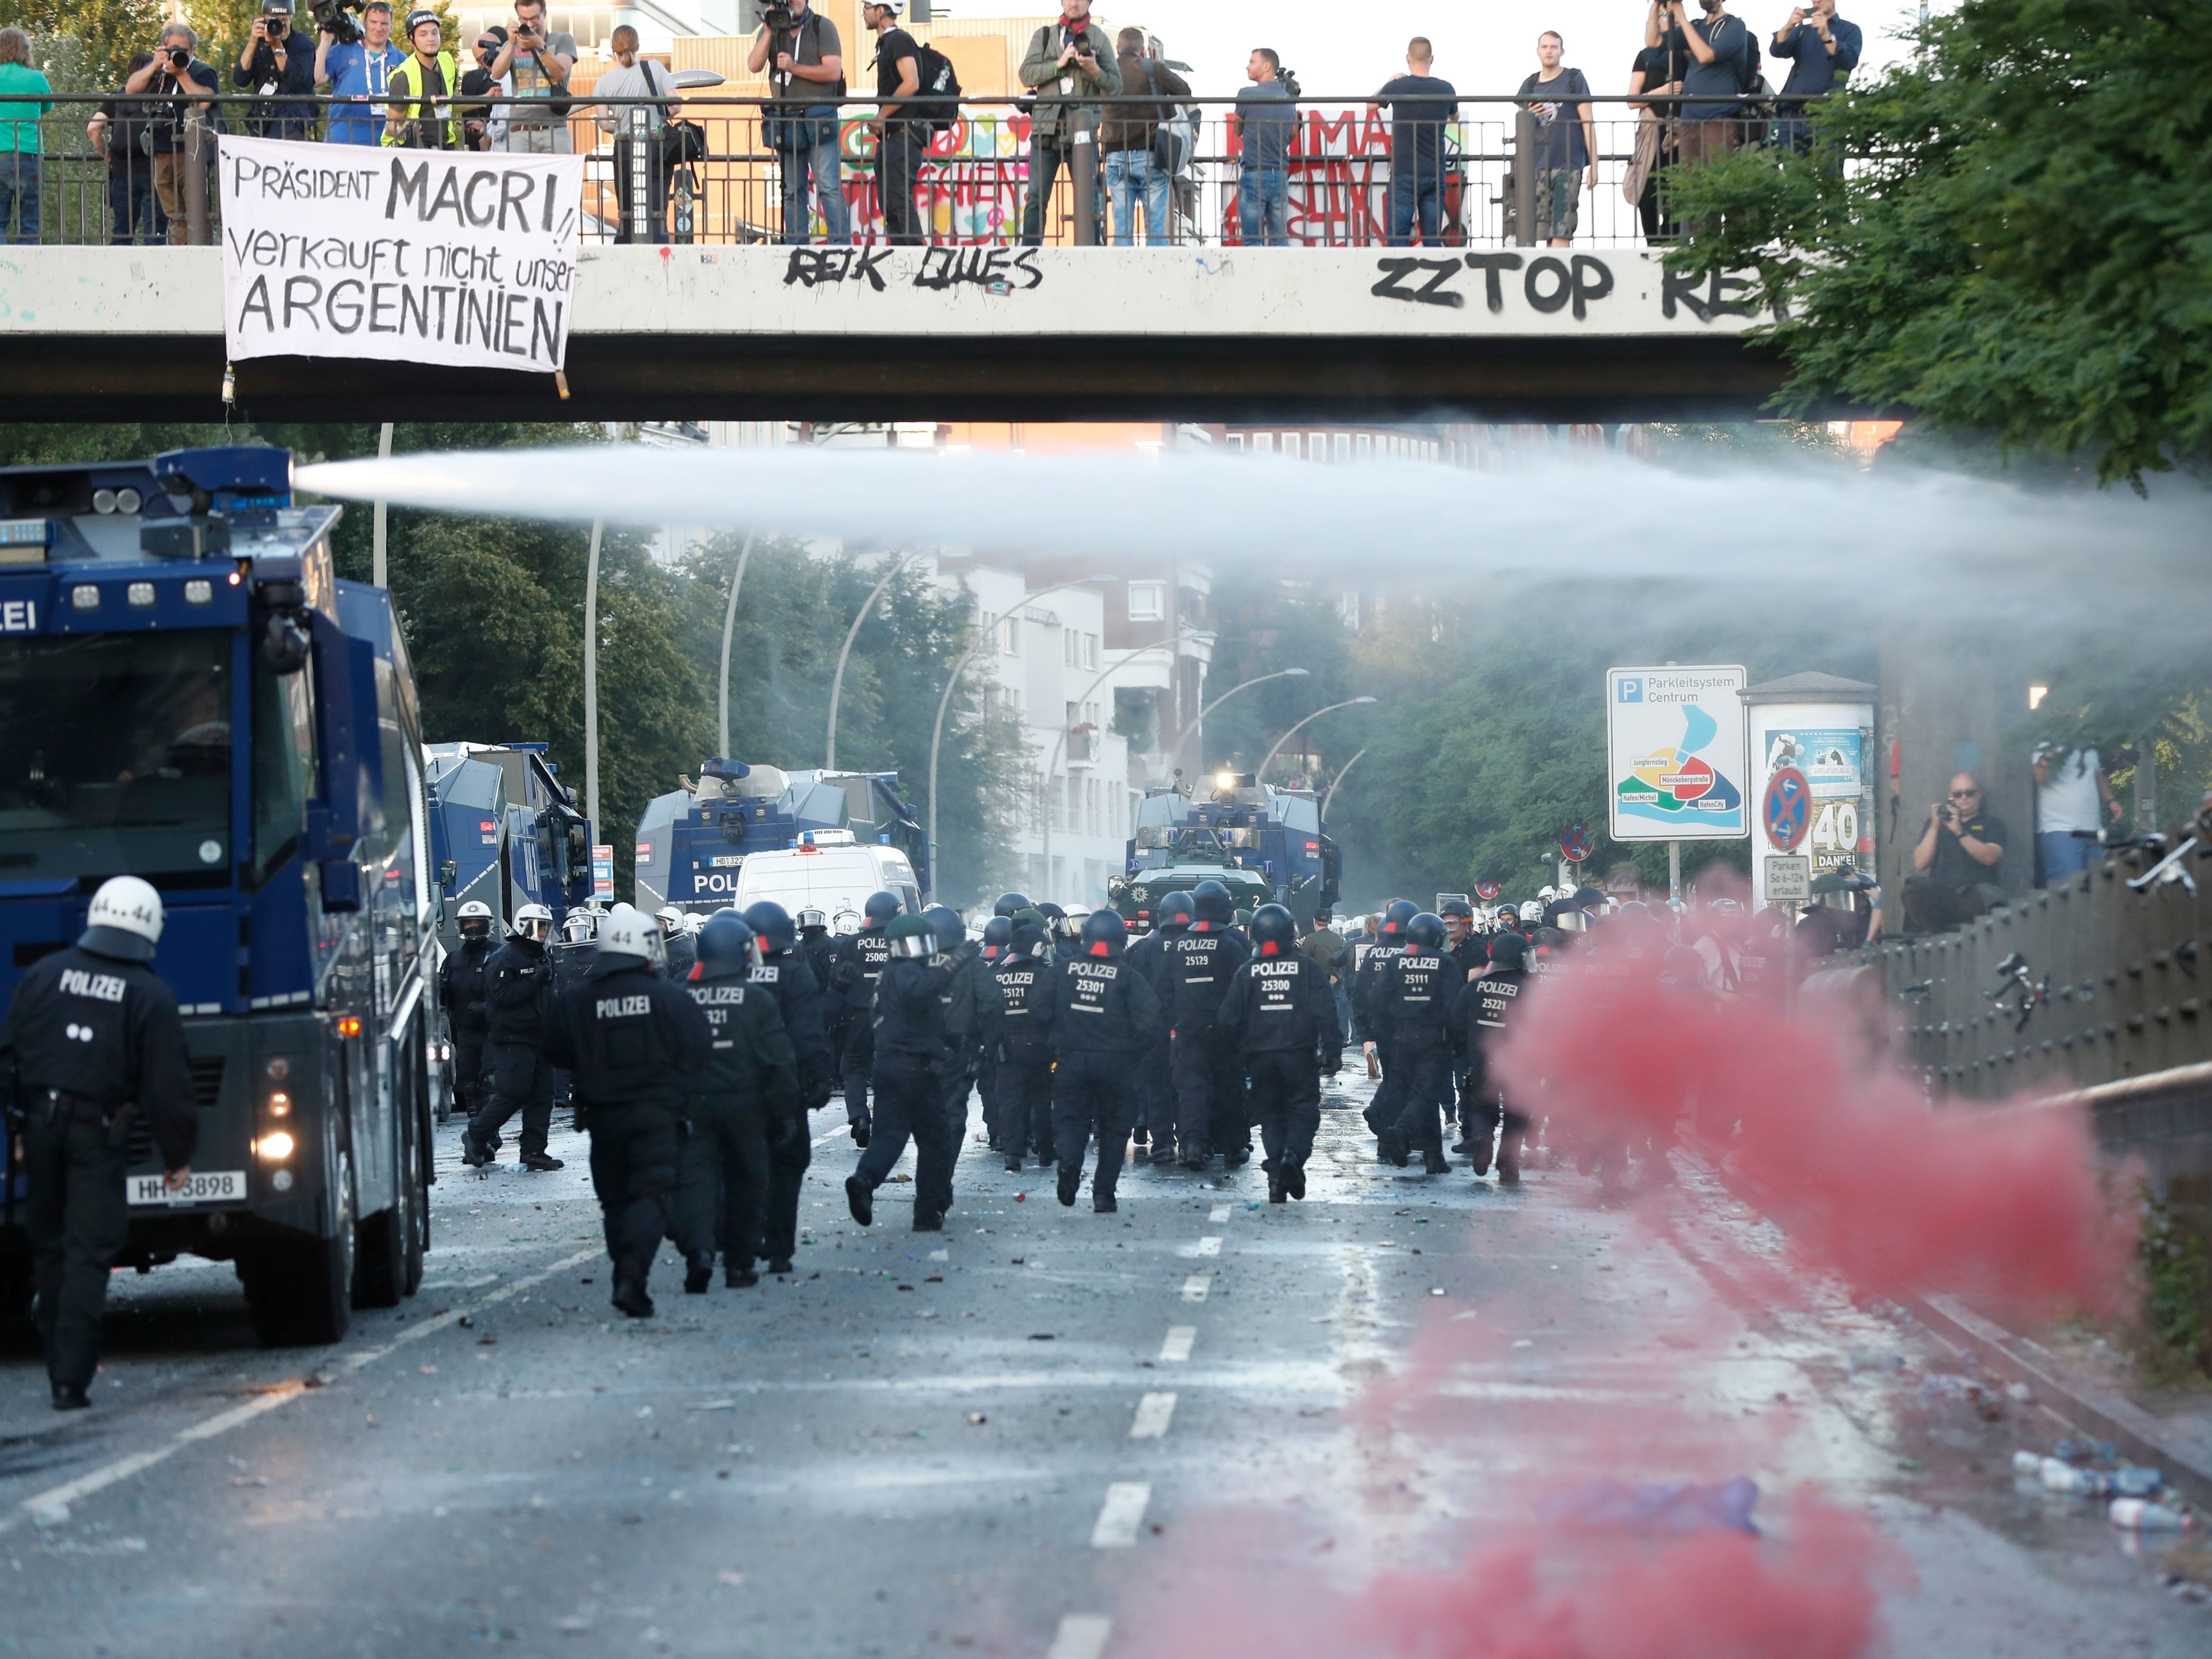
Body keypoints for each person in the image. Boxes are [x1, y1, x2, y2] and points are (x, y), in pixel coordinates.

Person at [0, 878, 195, 1410]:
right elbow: (167, 1087)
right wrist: (177, 1155)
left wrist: (17, 1130)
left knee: (49, 1249)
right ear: (150, 926)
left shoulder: (42, 975)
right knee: (88, 1251)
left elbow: (10, 1057)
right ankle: (69, 1378)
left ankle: (56, 1359)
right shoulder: (149, 995)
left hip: (39, 1129)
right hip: (97, 1136)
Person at [543, 906, 711, 1317]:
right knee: (652, 1194)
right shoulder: (670, 997)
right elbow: (700, 1050)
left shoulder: (577, 1000)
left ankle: (625, 1271)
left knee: (615, 1199)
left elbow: (554, 1052)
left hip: (603, 1116)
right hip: (658, 1114)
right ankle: (631, 1277)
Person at [673, 912, 798, 1293]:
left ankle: (699, 1253)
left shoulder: (681, 995)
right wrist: (785, 1113)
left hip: (693, 1105)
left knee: (696, 1181)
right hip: (746, 1107)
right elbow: (778, 1061)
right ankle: (741, 1266)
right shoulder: (756, 998)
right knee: (747, 1183)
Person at [1216, 905, 1342, 1205]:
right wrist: (1333, 1052)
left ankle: (1275, 1179)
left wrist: (1232, 1058)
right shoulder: (1307, 968)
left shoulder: (1247, 971)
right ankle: (1293, 1158)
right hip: (1299, 1055)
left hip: (1259, 1058)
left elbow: (1227, 1021)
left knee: (1271, 1117)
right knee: (1303, 1113)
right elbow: (1326, 1012)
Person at [1049, 909, 1164, 1213]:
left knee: (1072, 1122)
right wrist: (1136, 1054)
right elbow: (1151, 1020)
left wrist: (1057, 1039)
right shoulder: (1128, 976)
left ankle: (1070, 1163)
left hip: (1071, 1061)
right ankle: (1103, 1194)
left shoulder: (1063, 971)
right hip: (1117, 1064)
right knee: (1115, 1128)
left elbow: (1037, 1009)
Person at [844, 914, 954, 1232]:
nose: (919, 951)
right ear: (896, 947)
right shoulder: (907, 972)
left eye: (923, 944)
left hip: (889, 1066)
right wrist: (951, 966)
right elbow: (918, 993)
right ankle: (928, 1210)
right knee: (935, 1141)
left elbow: (912, 1017)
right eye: (911, 945)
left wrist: (947, 1039)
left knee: (889, 1136)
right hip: (916, 1069)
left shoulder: (888, 974)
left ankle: (864, 1181)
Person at [742, 901, 835, 1275]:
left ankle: (747, 1239)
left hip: (740, 1086)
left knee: (744, 1165)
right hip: (786, 1086)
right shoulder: (797, 975)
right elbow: (808, 1032)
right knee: (788, 1165)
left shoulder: (737, 974)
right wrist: (819, 1079)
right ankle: (780, 1251)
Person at [1166, 879, 1255, 1172]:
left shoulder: (1179, 946)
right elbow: (1248, 988)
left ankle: (1192, 1144)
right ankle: (1232, 1148)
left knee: (1192, 1087)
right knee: (1230, 1087)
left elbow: (1165, 991)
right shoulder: (1235, 943)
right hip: (1225, 1031)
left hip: (1188, 1029)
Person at [465, 902, 562, 1170]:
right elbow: (501, 997)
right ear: (523, 926)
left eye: (546, 927)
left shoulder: (543, 956)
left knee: (543, 1095)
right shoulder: (505, 957)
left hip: (540, 1037)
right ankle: (477, 1133)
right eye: (539, 927)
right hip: (513, 1037)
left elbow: (549, 997)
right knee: (513, 1092)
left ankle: (533, 1150)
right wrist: (533, 981)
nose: (543, 933)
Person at [1016, 0, 1119, 246]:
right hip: (1046, 129)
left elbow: (1117, 87)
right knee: (1036, 198)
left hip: (1083, 133)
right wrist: (1058, 63)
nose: (1074, 3)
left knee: (1089, 200)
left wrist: (1094, 69)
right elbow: (1026, 75)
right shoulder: (1044, 36)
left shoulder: (1099, 39)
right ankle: (1029, 253)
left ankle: (1091, 251)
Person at [748, 0, 848, 245]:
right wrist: (770, 29)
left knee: (828, 187)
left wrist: (794, 67)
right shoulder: (771, 29)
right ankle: (795, 247)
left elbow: (833, 72)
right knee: (792, 190)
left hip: (819, 117)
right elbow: (754, 65)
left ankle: (841, 246)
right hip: (787, 119)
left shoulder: (822, 26)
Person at [1376, 912, 1464, 1175]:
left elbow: (1376, 998)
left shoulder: (1395, 962)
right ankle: (1401, 1132)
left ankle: (1434, 1156)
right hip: (1434, 1039)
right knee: (1426, 1094)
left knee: (1404, 1091)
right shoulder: (1445, 962)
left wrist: (1384, 1034)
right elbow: (1455, 1007)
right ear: (1438, 937)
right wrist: (1457, 1041)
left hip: (1400, 1037)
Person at [124, 26, 217, 245]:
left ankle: (196, 253)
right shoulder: (158, 71)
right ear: (163, 47)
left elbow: (204, 102)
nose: (179, 54)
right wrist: (155, 64)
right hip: (162, 148)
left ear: (193, 50)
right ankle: (181, 250)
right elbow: (131, 89)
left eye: (184, 50)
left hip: (191, 150)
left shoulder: (202, 71)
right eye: (174, 49)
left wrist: (181, 73)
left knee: (195, 209)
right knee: (173, 211)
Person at [983, 912, 1057, 1171]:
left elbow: (987, 1013)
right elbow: (1050, 1012)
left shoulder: (997, 974)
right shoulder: (1044, 974)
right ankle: (1046, 1151)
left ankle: (1013, 1155)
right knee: (1042, 1102)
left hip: (1006, 1051)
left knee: (1011, 1104)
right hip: (1040, 1049)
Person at [1101, 26, 1187, 246]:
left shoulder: (1105, 73)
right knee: (1157, 230)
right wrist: (1160, 66)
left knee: (1122, 230)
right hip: (1150, 154)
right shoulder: (1153, 69)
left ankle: (1122, 278)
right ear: (1142, 51)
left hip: (1115, 154)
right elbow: (1184, 91)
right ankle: (1158, 277)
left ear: (1118, 49)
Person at [827, 889, 901, 1144]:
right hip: (893, 1017)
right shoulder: (902, 944)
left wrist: (831, 1019)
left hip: (858, 1017)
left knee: (854, 1068)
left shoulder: (849, 944)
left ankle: (859, 1118)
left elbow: (837, 984)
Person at [592, 24, 676, 243]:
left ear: (613, 49)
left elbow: (603, 124)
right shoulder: (656, 69)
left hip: (625, 149)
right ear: (638, 46)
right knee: (657, 208)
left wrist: (622, 128)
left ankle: (626, 251)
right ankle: (659, 251)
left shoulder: (604, 82)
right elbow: (676, 106)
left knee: (628, 210)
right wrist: (658, 117)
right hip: (656, 144)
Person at [1369, 37, 1456, 248]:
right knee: (1432, 237)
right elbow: (1455, 117)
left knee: (1398, 238)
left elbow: (1370, 104)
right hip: (1435, 172)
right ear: (1432, 59)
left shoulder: (1399, 86)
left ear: (1408, 58)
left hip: (1405, 172)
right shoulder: (1446, 89)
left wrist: (1390, 82)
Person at [1462, 928, 1532, 1185]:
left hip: (1482, 1059)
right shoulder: (1530, 989)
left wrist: (1463, 1053)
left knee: (1481, 1105)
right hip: (1520, 1063)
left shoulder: (1475, 987)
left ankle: (1482, 1138)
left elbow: (1456, 1020)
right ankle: (1509, 1164)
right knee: (1517, 1111)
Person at [1514, 32, 1596, 247]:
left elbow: (1588, 122)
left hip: (1568, 163)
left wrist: (1594, 165)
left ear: (1562, 51)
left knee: (1562, 228)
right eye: (1545, 47)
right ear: (1538, 51)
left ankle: (1555, 276)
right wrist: (1529, 114)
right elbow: (1522, 130)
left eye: (1553, 47)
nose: (1549, 51)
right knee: (1538, 231)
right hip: (1537, 165)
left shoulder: (1573, 79)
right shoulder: (1530, 85)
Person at [1903, 771, 2008, 933]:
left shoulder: (1992, 824)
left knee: (1992, 898)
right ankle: (1936, 933)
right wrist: (1935, 826)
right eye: (1958, 795)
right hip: (1943, 893)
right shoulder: (1935, 825)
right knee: (1913, 891)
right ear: (1951, 797)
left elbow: (1990, 858)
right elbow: (1920, 863)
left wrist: (1960, 832)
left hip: (1974, 894)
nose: (1964, 798)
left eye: (1970, 793)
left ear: (1979, 795)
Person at [1126, 893, 1185, 1164]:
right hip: (1189, 1028)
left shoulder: (1142, 949)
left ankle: (1162, 1143)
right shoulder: (1198, 946)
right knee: (1190, 1086)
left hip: (1153, 1030)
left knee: (1157, 1086)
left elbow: (1129, 990)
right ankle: (1191, 1138)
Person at [862, 1, 926, 247]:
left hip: (903, 134)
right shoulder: (888, 43)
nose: (864, 14)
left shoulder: (899, 40)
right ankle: (902, 260)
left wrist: (882, 116)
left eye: (867, 7)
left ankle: (917, 259)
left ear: (881, 11)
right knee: (889, 205)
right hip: (892, 137)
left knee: (899, 199)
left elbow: (912, 82)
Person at [88, 53, 168, 246]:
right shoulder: (161, 97)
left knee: (122, 232)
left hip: (122, 171)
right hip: (154, 171)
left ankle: (116, 274)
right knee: (155, 232)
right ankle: (156, 274)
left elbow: (93, 129)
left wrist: (107, 156)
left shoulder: (117, 97)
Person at [925, 905, 985, 1160]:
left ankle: (930, 1171)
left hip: (919, 1053)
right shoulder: (971, 966)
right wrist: (988, 1048)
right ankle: (942, 1174)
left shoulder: (914, 963)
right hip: (960, 1052)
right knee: (953, 1113)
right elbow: (992, 1006)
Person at [1624, 2, 1688, 243]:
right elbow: (1632, 100)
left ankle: (1671, 242)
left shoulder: (1687, 53)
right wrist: (1662, 91)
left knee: (1676, 190)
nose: (1670, 20)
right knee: (1647, 191)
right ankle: (1652, 241)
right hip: (1652, 131)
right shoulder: (1646, 56)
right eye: (1664, 16)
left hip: (1680, 131)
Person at [1676, 0, 1757, 167]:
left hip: (1719, 117)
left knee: (1718, 179)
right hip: (1689, 119)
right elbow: (1653, 41)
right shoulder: (1696, 27)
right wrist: (1657, 6)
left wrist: (1682, 19)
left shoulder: (1735, 26)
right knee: (1688, 185)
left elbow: (1706, 55)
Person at [1769, 0, 1860, 149]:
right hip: (1793, 116)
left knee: (1830, 171)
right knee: (1793, 171)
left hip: (1829, 117)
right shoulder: (1803, 30)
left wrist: (1827, 36)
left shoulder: (1850, 30)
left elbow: (1848, 61)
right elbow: (1778, 50)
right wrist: (1789, 26)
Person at [490, 0, 576, 155]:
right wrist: (510, 44)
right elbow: (496, 73)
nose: (529, 24)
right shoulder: (513, 44)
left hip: (555, 128)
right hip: (520, 130)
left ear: (544, 14)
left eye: (534, 18)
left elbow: (561, 71)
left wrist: (540, 46)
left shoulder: (562, 39)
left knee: (561, 178)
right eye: (524, 19)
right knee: (519, 179)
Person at [439, 900, 497, 1124]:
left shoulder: (499, 953)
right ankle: (478, 1130)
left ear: (488, 925)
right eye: (468, 923)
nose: (473, 928)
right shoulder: (454, 959)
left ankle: (491, 1131)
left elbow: (509, 993)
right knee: (468, 1084)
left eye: (478, 923)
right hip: (464, 1031)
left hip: (493, 1029)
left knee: (490, 1081)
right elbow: (444, 995)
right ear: (461, 927)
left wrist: (486, 1007)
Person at [2033, 742, 2122, 883]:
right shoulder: (2045, 744)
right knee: (2067, 889)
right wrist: (2051, 752)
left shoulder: (2085, 742)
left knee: (2097, 887)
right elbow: (2040, 777)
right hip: (2060, 829)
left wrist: (2110, 800)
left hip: (2093, 830)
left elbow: (2096, 773)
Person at [317, 1, 403, 147]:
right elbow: (318, 79)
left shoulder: (401, 59)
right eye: (373, 22)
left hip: (382, 145)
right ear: (365, 24)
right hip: (342, 140)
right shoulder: (342, 51)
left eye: (384, 24)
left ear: (391, 27)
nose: (378, 28)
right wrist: (325, 41)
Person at [1233, 47, 1295, 248]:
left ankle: (1253, 280)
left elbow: (1237, 129)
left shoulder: (1246, 94)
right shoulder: (1288, 98)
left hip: (1255, 173)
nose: (1247, 66)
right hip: (1280, 173)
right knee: (1280, 240)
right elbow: (1292, 134)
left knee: (1252, 240)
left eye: (1252, 62)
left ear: (1266, 66)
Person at [235, 1, 319, 140]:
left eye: (284, 20)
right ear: (265, 19)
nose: (280, 25)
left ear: (292, 18)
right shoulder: (259, 43)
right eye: (275, 21)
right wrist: (253, 42)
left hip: (292, 121)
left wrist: (277, 47)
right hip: (262, 122)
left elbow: (297, 81)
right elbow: (240, 79)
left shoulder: (304, 45)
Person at [0, 27, 52, 245]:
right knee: (30, 224)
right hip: (30, 157)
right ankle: (27, 275)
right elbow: (47, 107)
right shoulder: (37, 78)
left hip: (1, 157)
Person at [382, 10, 462, 149]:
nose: (431, 38)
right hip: (413, 150)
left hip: (445, 147)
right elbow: (391, 125)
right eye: (423, 34)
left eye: (435, 33)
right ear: (412, 40)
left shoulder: (447, 60)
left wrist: (486, 99)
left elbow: (451, 102)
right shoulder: (404, 75)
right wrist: (404, 132)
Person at [457, 28, 510, 152]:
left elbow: (507, 111)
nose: (480, 66)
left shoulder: (507, 74)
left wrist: (490, 135)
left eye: (481, 60)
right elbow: (498, 114)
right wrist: (486, 129)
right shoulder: (498, 76)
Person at [653, 905, 695, 979]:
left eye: (661, 924)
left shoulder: (678, 948)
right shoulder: (675, 943)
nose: (658, 927)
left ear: (671, 925)